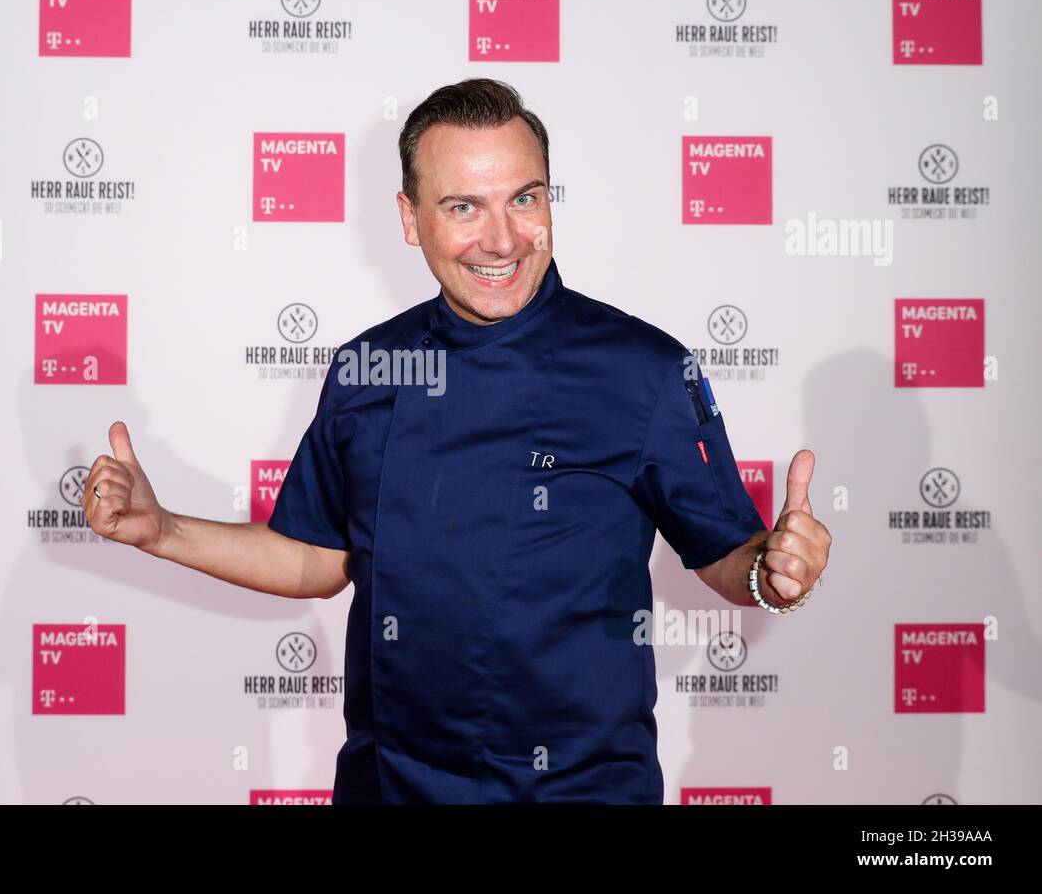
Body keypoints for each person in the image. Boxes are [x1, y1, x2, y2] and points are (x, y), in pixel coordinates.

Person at [83, 78, 832, 803]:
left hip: (579, 790)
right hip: (390, 786)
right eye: (463, 207)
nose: (501, 239)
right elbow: (317, 556)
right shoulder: (369, 368)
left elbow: (726, 557)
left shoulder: (644, 370)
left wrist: (773, 570)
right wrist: (163, 531)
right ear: (411, 220)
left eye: (525, 199)